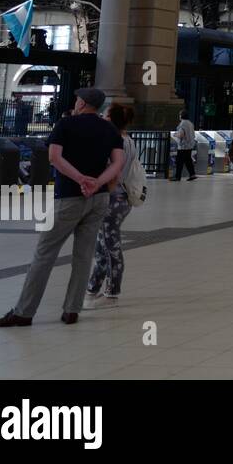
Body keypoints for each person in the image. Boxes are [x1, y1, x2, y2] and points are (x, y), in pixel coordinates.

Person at [0, 88, 125, 327]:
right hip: (99, 198)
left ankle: (24, 312)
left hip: (69, 198)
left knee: (45, 253)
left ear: (82, 103)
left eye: (77, 99)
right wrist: (97, 182)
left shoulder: (66, 125)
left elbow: (54, 157)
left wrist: (80, 179)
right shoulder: (110, 129)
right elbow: (118, 163)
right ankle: (72, 310)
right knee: (84, 256)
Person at [82, 103, 139, 309]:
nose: (102, 118)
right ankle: (93, 287)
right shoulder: (129, 141)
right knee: (103, 244)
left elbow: (113, 173)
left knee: (111, 245)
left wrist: (102, 193)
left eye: (106, 115)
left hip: (113, 198)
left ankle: (112, 292)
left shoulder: (116, 142)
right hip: (121, 198)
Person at [172, 110, 197, 181]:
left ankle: (177, 177)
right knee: (188, 160)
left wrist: (175, 134)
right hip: (190, 145)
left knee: (179, 162)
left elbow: (181, 135)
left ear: (181, 116)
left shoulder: (182, 124)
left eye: (179, 115)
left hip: (183, 146)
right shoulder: (190, 123)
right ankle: (192, 174)